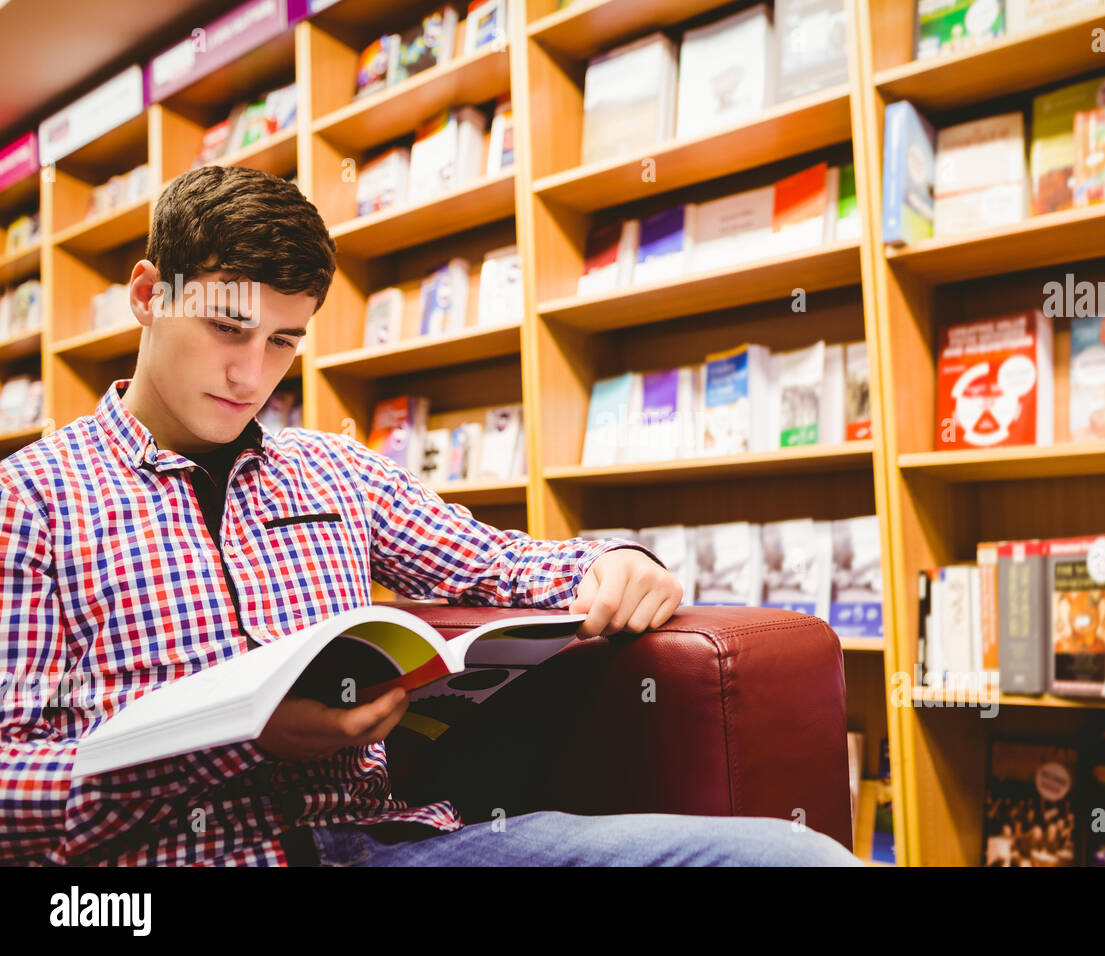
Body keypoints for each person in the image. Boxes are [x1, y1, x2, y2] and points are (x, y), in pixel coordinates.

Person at [0, 166, 859, 867]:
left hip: (393, 847)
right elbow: (10, 788)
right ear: (149, 294)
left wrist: (615, 564)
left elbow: (499, 563)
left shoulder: (335, 470)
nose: (251, 373)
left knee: (790, 857)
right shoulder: (31, 499)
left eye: (285, 342)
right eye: (229, 327)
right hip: (180, 864)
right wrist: (238, 741)